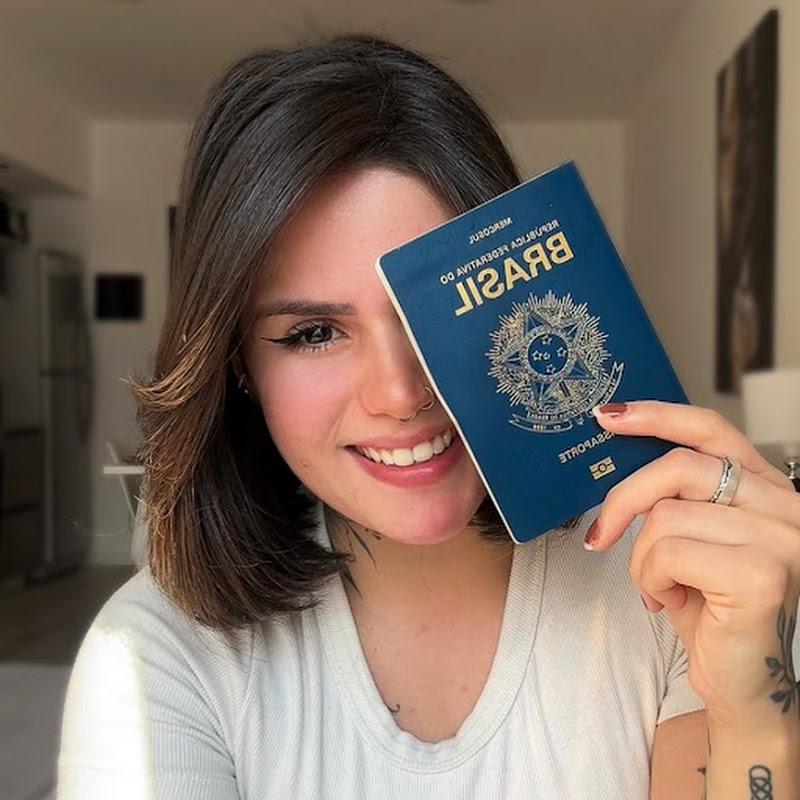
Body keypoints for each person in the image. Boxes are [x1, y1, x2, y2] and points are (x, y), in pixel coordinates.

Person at [57, 36, 800, 799]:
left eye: (432, 314)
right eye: (313, 333)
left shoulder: (672, 588)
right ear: (239, 366)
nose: (400, 392)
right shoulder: (156, 657)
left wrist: (755, 716)